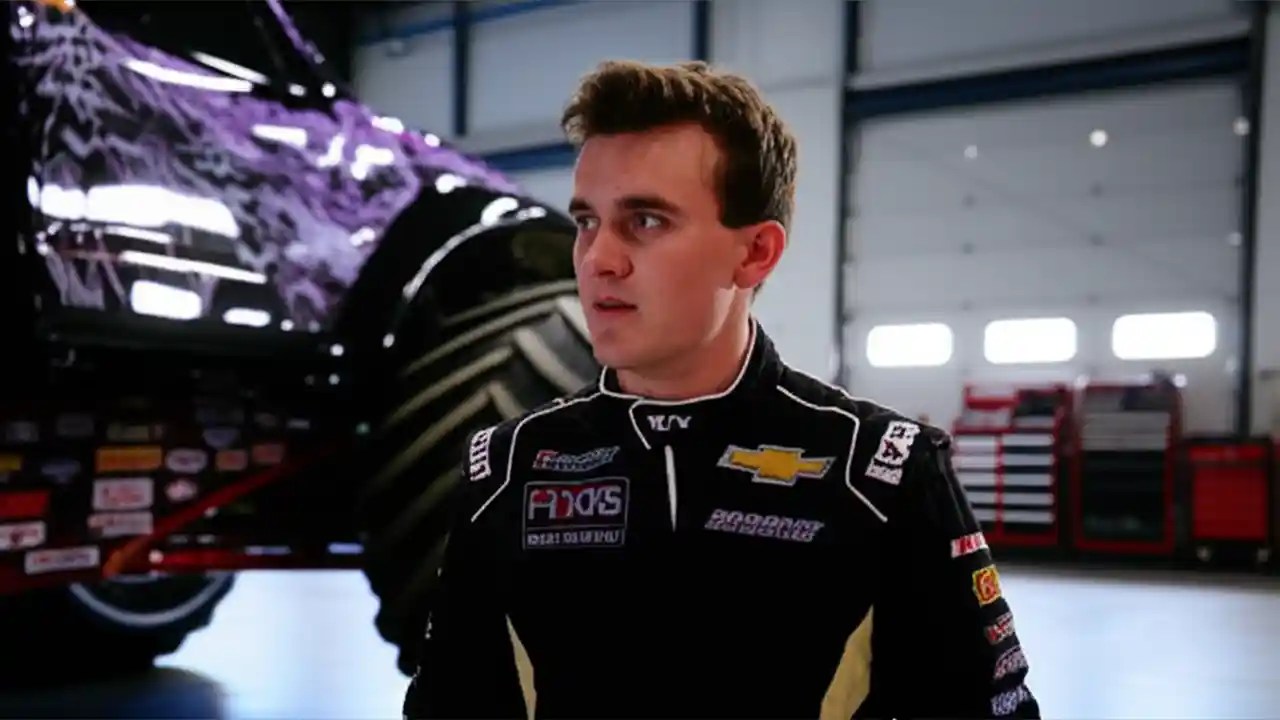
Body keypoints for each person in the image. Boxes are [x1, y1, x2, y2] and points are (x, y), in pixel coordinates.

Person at [402, 59, 1039, 719]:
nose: (598, 260)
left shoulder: (878, 471)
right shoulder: (509, 467)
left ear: (756, 252)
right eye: (587, 221)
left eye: (645, 221)